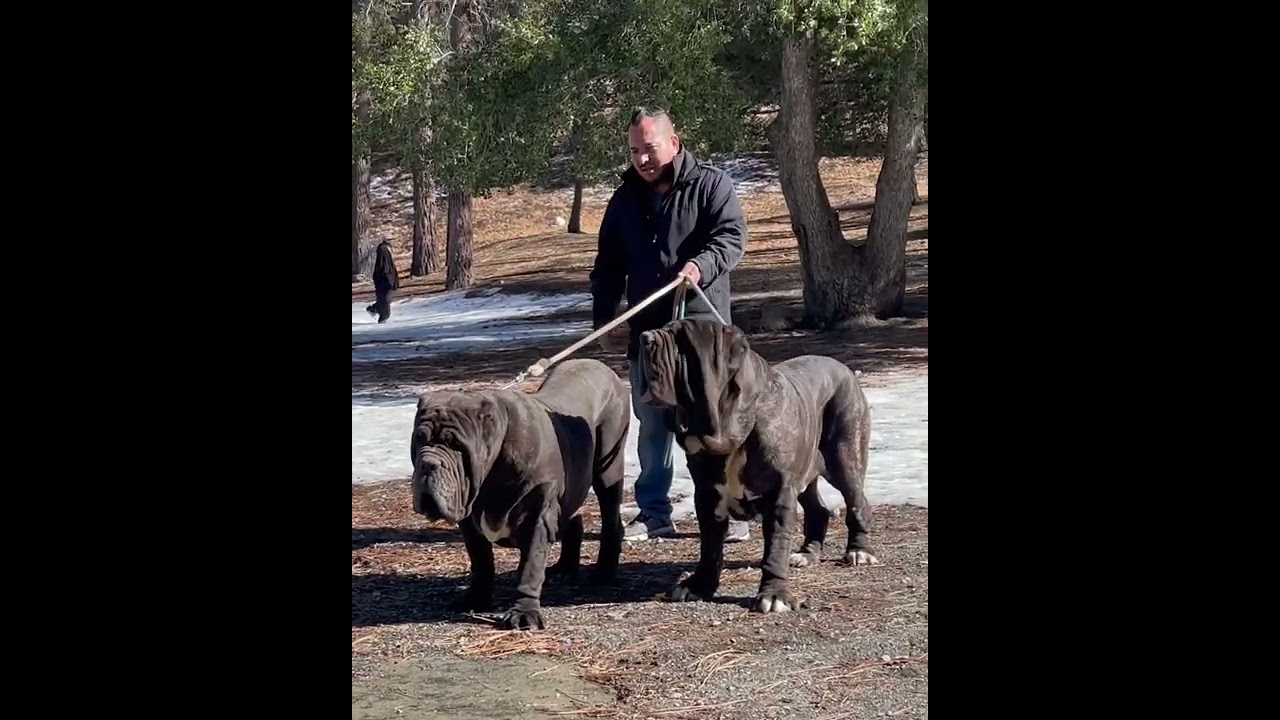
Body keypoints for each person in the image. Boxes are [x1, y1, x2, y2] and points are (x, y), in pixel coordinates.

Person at [589, 107, 749, 542]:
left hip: (704, 332)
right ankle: (654, 512)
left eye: (650, 148)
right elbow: (607, 267)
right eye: (634, 150)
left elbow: (732, 237)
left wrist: (702, 265)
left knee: (711, 423)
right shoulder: (624, 199)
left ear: (674, 143)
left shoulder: (712, 184)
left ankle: (727, 509)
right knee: (654, 424)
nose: (642, 159)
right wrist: (604, 320)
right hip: (649, 333)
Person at [366, 238, 399, 323]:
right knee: (385, 302)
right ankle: (380, 316)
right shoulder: (384, 251)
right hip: (385, 281)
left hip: (385, 281)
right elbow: (386, 268)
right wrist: (390, 280)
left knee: (384, 300)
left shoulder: (384, 252)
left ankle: (374, 309)